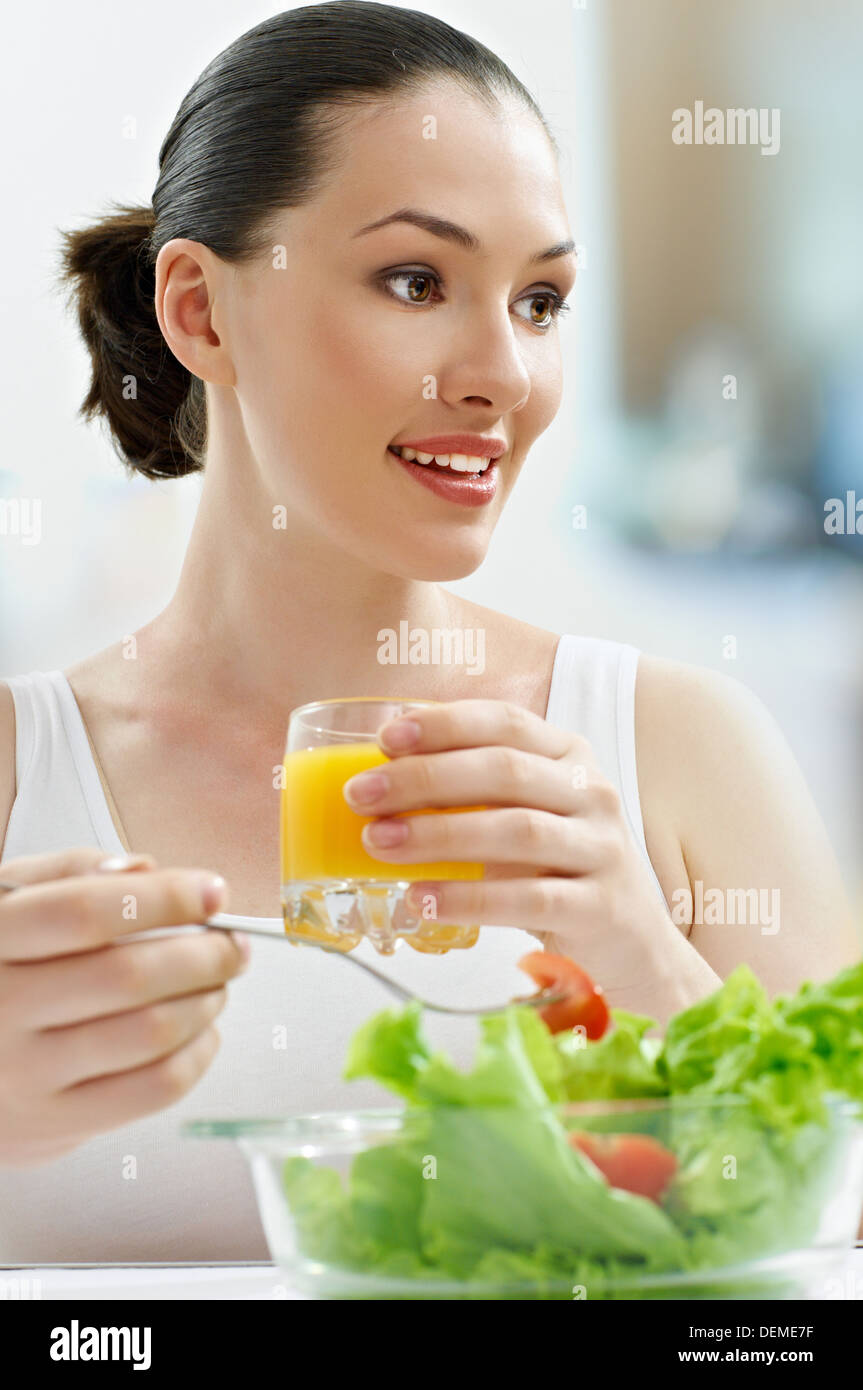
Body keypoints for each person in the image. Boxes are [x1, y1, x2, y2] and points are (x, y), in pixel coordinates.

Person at [0, 2, 857, 1263]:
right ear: (200, 310)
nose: (504, 372)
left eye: (542, 299)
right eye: (417, 280)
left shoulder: (676, 746)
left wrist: (645, 967)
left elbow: (835, 1234)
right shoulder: (22, 773)